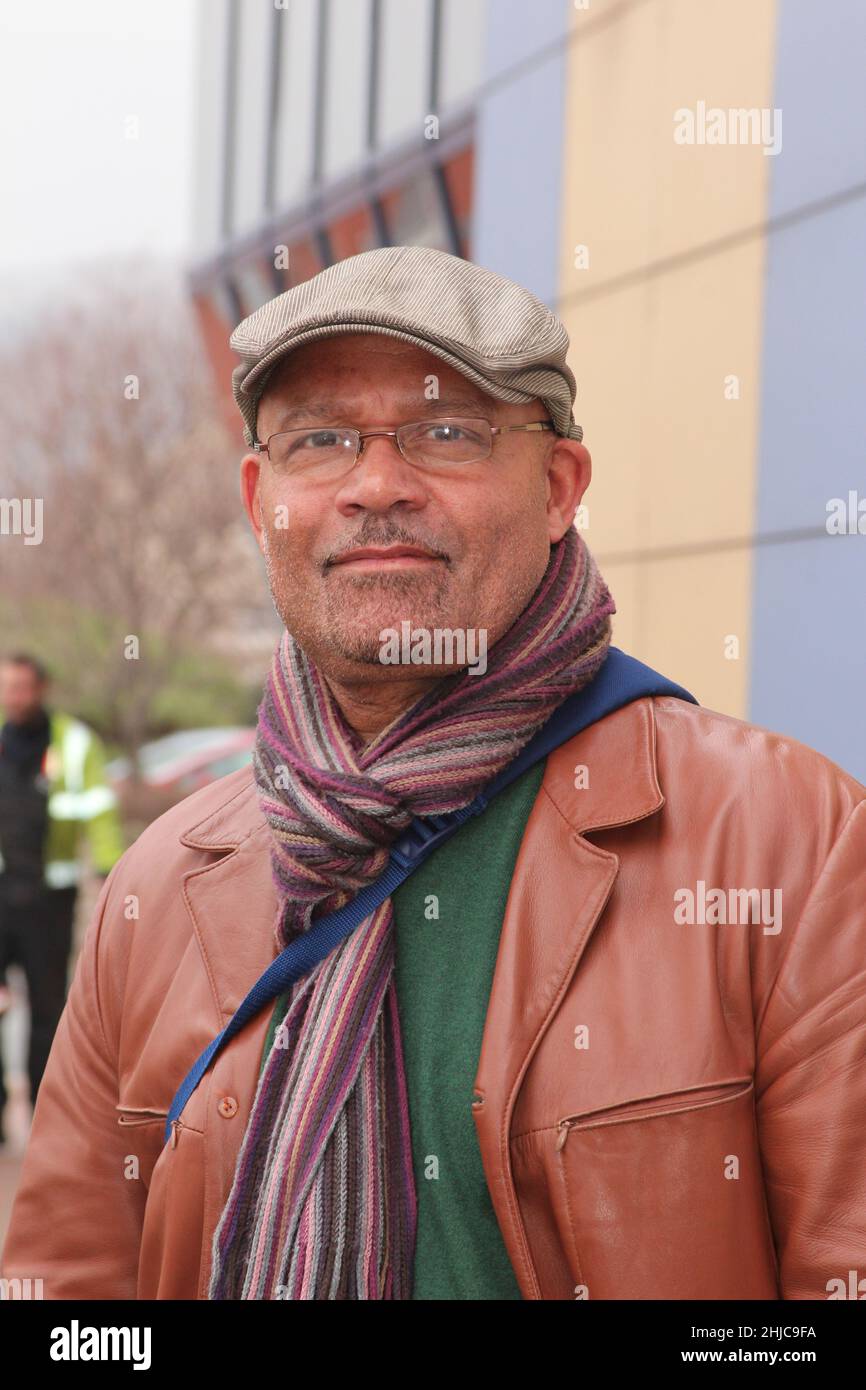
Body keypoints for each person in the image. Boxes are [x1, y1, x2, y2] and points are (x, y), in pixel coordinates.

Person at [2, 246, 865, 1301]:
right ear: (257, 500)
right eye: (319, 439)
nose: (374, 485)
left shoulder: (790, 842)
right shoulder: (155, 890)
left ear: (557, 489)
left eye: (444, 432)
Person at [0, 653, 124, 1143]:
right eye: (7, 687)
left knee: (48, 1007)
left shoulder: (74, 743)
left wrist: (112, 870)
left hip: (50, 894)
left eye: (23, 687)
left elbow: (100, 811)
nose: (14, 696)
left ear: (42, 688)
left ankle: (41, 1116)